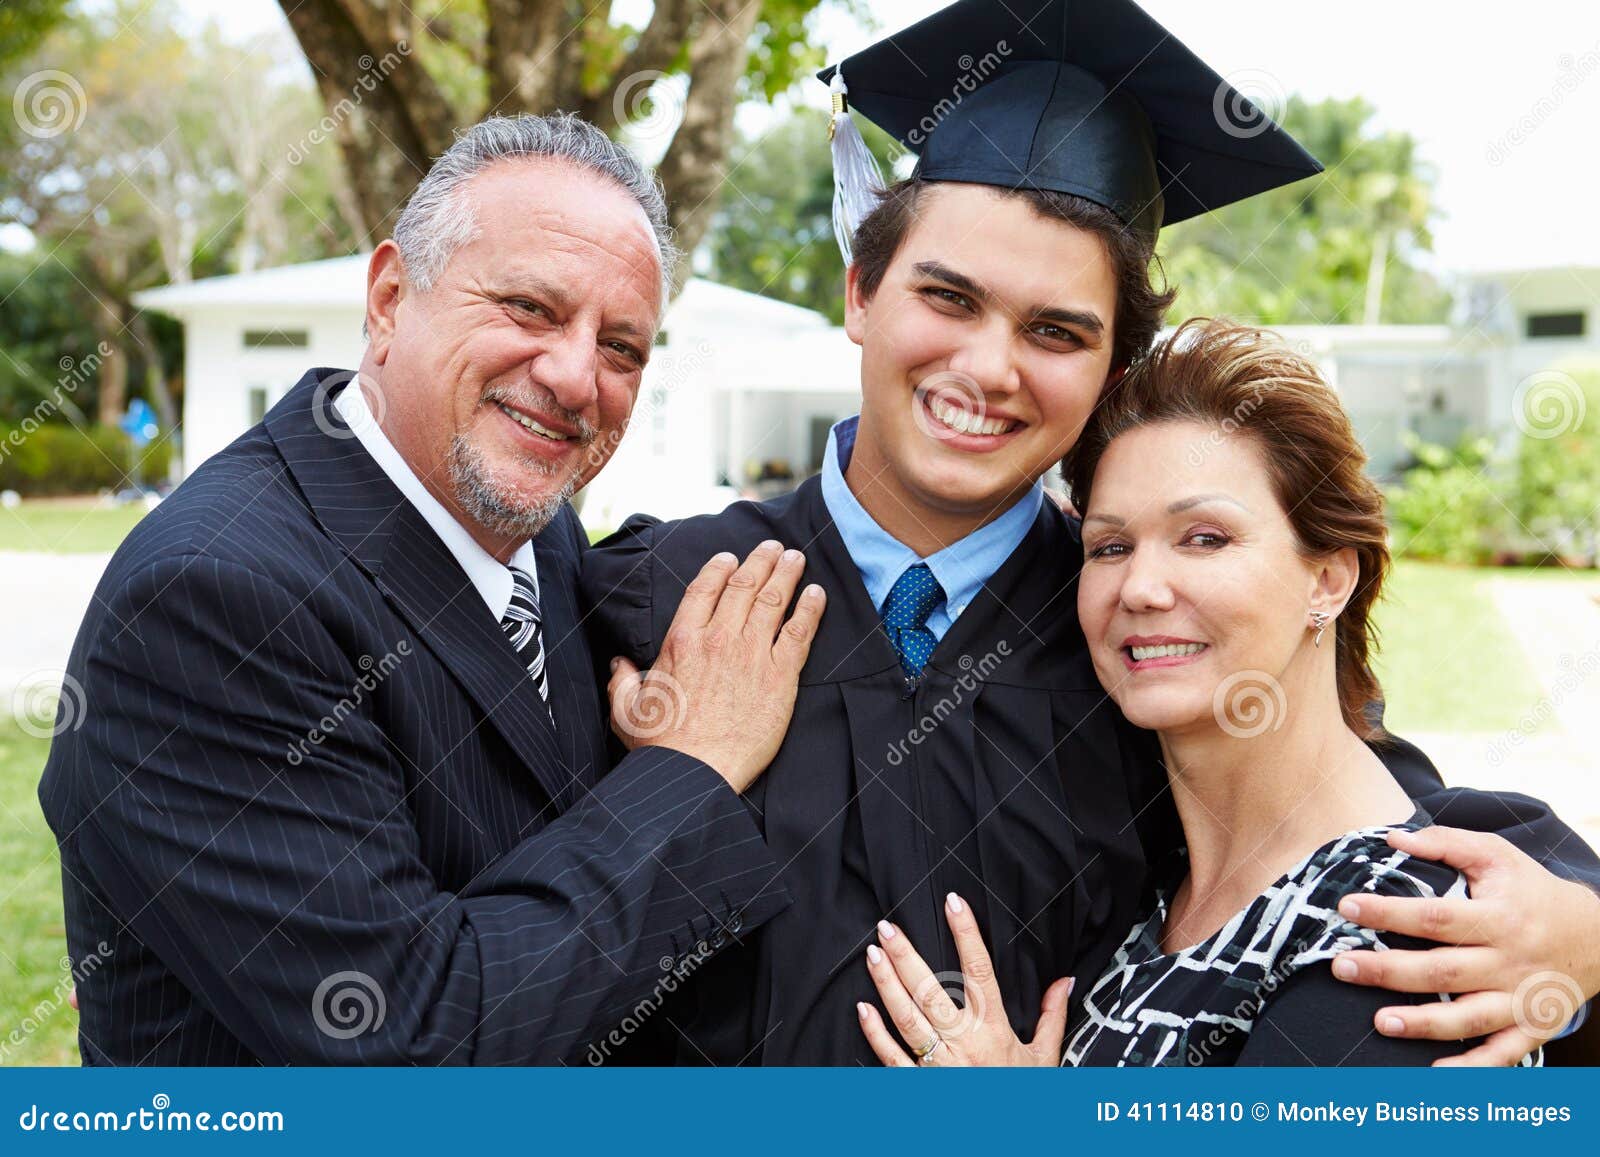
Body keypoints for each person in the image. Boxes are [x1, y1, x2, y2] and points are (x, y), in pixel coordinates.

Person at [580, 0, 1600, 1066]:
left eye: (1054, 330)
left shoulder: (1144, 644)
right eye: (949, 298)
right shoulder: (663, 594)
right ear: (860, 291)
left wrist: (1579, 923)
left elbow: (1355, 807)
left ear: (1110, 372)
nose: (986, 367)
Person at [38, 114, 827, 1065]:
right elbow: (414, 1039)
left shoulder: (534, 518)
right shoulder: (210, 597)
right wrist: (690, 770)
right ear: (388, 297)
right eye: (531, 308)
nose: (577, 376)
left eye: (622, 347)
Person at [857, 320, 1600, 1066]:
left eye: (1205, 537)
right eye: (1110, 546)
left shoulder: (1396, 935)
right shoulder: (1152, 867)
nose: (1141, 588)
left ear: (1328, 578)